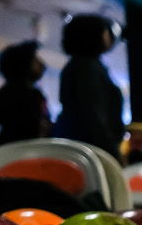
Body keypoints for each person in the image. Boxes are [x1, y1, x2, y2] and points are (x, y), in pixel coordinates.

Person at [51, 14, 125, 161]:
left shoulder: (79, 65)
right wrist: (110, 150)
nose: (108, 36)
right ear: (93, 35)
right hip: (90, 150)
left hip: (81, 145)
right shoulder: (88, 67)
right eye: (104, 31)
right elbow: (93, 112)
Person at [0, 40, 50, 146]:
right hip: (24, 150)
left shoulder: (4, 91)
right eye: (34, 59)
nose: (41, 64)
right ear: (24, 64)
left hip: (6, 147)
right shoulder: (34, 95)